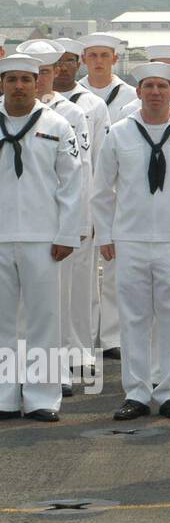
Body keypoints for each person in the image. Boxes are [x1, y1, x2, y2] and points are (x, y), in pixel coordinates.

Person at [92, 62, 170, 421]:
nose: (155, 92)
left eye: (162, 86)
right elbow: (102, 189)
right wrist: (105, 233)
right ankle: (135, 391)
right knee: (133, 318)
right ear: (138, 92)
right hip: (130, 238)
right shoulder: (120, 132)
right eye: (148, 86)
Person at [0, 54, 83, 421]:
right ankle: (4, 395)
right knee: (2, 322)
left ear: (37, 84)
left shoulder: (58, 124)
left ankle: (42, 397)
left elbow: (71, 184)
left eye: (25, 79)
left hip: (43, 238)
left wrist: (67, 233)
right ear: (2, 84)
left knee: (43, 320)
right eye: (11, 79)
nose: (19, 86)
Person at [19, 40, 94, 396]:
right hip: (10, 231)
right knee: (13, 318)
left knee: (53, 311)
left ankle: (50, 383)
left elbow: (77, 176)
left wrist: (74, 227)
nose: (22, 85)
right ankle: (12, 384)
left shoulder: (65, 117)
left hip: (49, 230)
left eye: (42, 73)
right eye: (12, 78)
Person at [49, 38, 109, 379]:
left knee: (84, 286)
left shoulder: (91, 105)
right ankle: (48, 355)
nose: (63, 67)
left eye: (69, 61)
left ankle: (82, 350)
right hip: (42, 213)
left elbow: (98, 163)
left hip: (83, 208)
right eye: (56, 63)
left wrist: (99, 212)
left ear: (78, 64)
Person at [79, 32, 133, 361]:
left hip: (119, 189)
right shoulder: (75, 96)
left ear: (115, 58)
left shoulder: (130, 94)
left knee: (113, 266)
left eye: (104, 55)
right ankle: (85, 333)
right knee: (83, 270)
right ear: (84, 59)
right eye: (92, 55)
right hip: (85, 189)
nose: (98, 61)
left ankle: (113, 334)